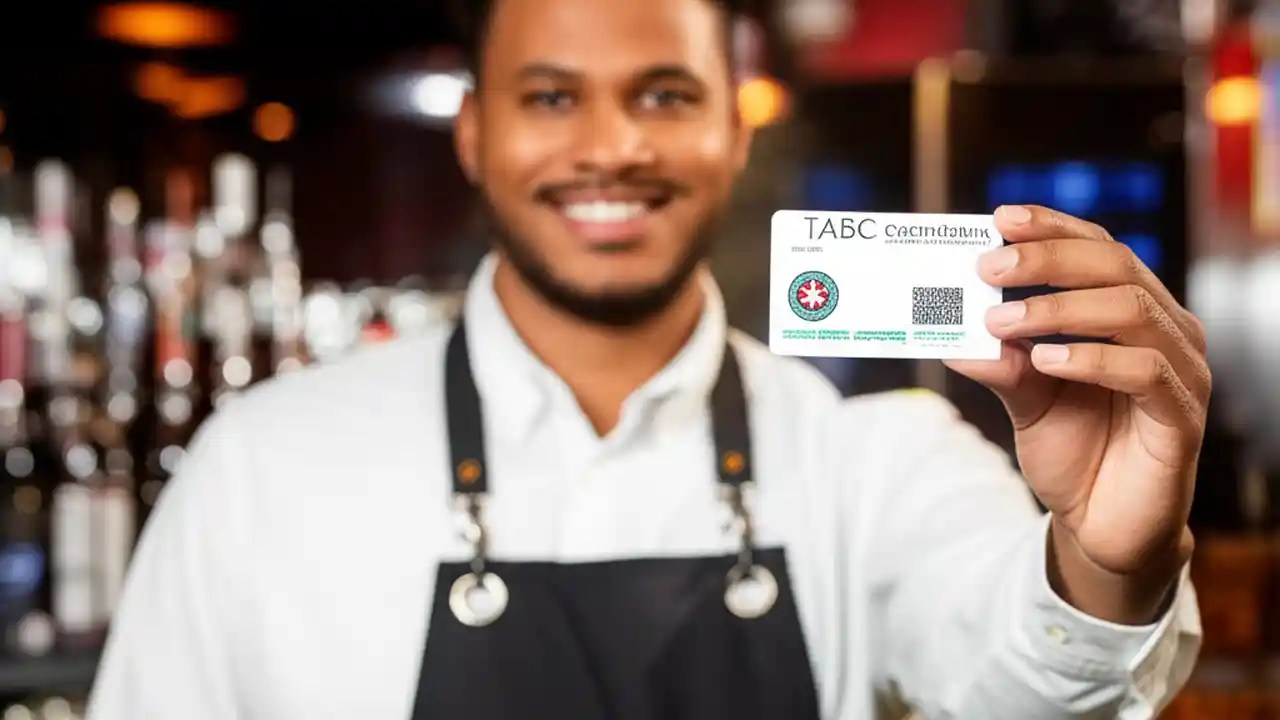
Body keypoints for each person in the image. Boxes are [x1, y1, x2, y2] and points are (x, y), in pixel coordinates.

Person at [87, 0, 1209, 717]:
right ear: (476, 135)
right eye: (551, 96)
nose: (613, 145)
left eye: (664, 95)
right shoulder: (262, 469)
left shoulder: (869, 457)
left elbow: (1028, 682)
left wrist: (1107, 560)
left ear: (733, 126)